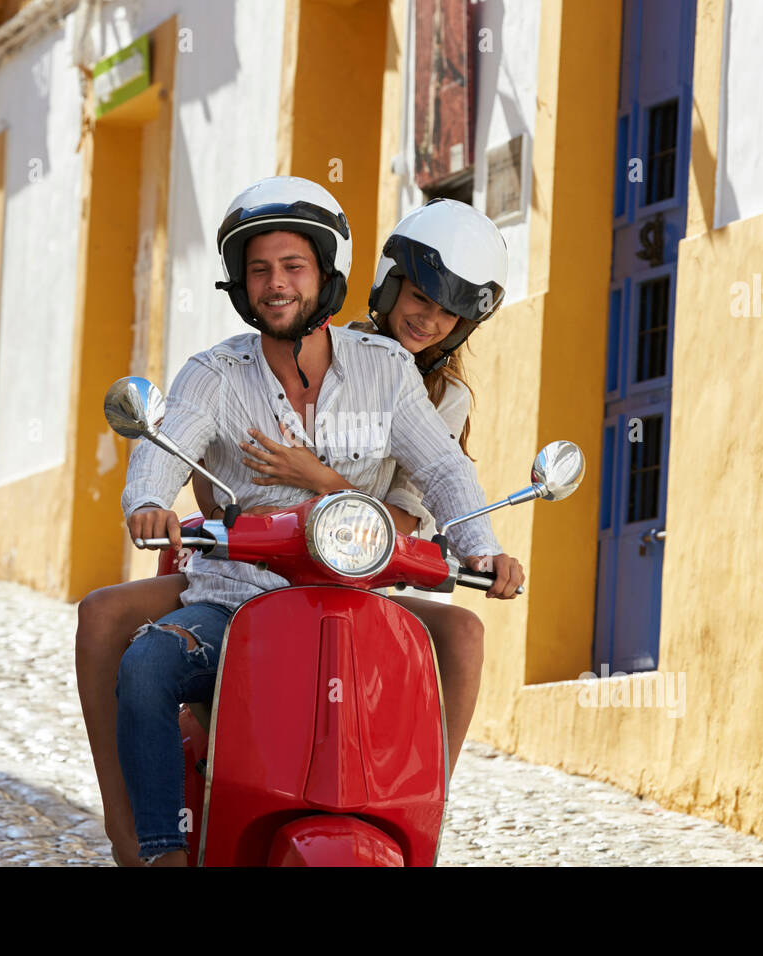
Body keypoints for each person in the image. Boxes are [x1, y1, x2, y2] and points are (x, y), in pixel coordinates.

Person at [75, 179, 521, 866]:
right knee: (147, 663)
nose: (276, 284)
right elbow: (164, 450)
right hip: (235, 595)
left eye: (293, 268)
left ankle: (415, 823)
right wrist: (149, 503)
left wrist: (483, 548)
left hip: (357, 595)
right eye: (260, 270)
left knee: (461, 636)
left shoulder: (389, 374)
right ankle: (153, 850)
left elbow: (443, 473)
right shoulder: (214, 373)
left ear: (327, 278)